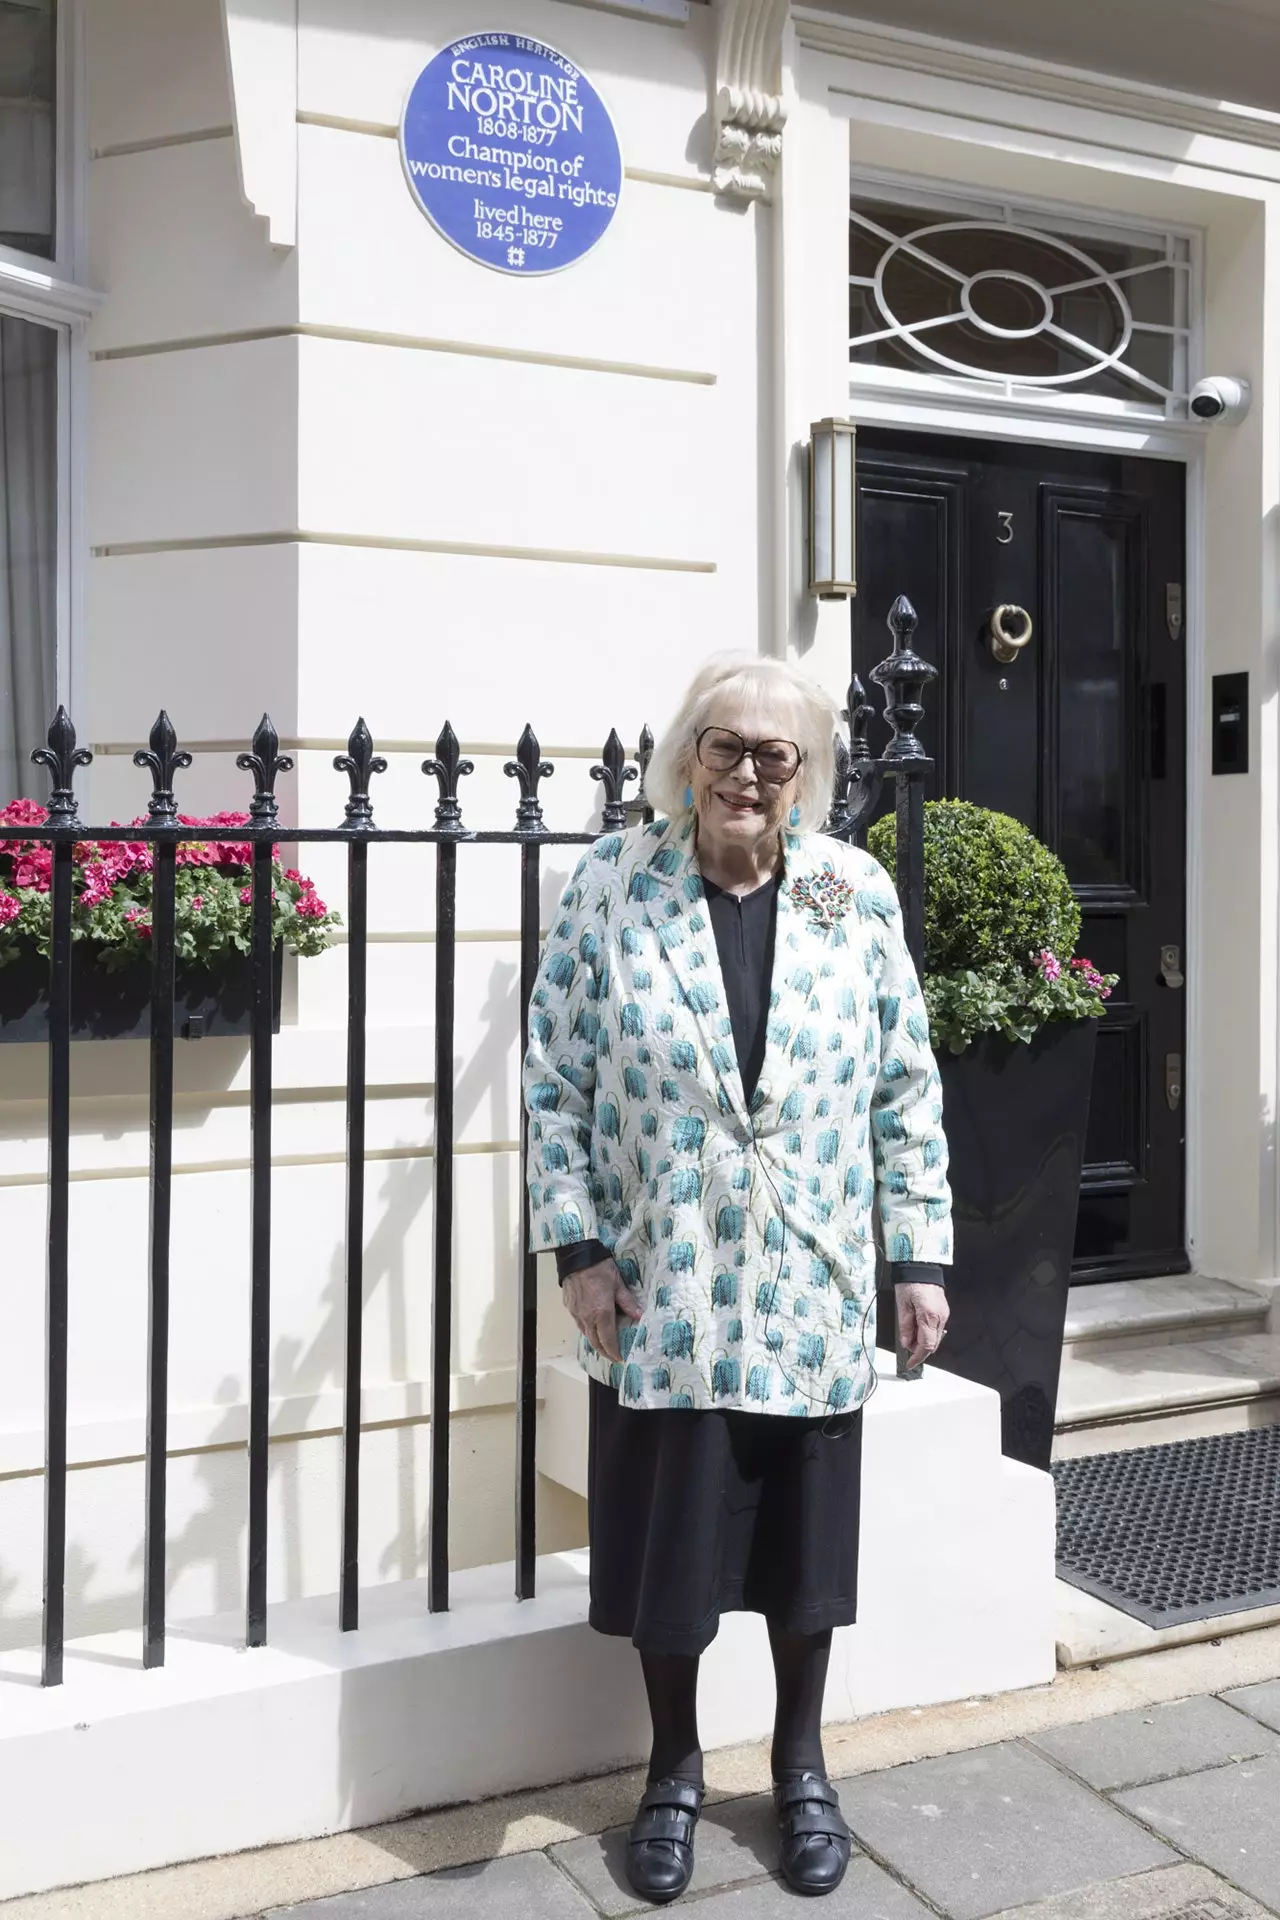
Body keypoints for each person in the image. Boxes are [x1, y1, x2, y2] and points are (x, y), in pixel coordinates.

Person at [523, 655, 952, 1904]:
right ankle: (670, 1771)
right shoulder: (614, 882)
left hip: (809, 1273)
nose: (748, 774)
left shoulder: (850, 892)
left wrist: (916, 1256)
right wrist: (578, 1246)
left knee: (803, 1548)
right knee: (671, 1543)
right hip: (660, 1278)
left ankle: (802, 1766)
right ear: (685, 757)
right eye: (726, 748)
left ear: (807, 774)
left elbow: (903, 1086)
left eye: (777, 755)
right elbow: (554, 1076)